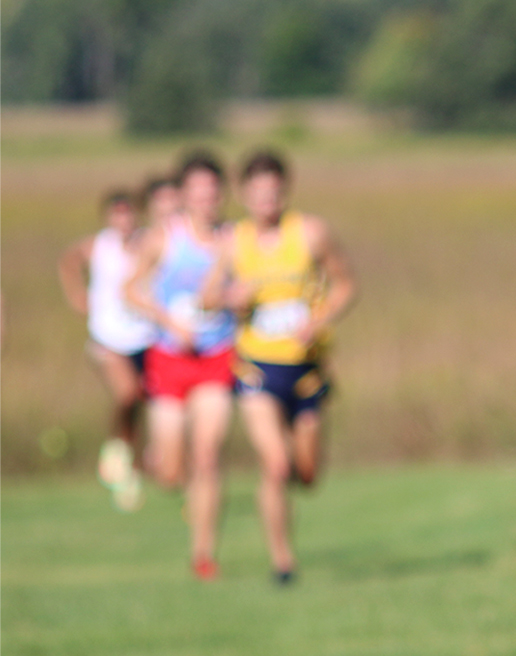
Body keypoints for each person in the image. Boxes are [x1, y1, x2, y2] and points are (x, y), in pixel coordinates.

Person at [204, 148, 357, 585]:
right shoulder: (233, 242)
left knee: (305, 475)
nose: (266, 202)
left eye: (273, 193)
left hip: (307, 369)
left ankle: (288, 509)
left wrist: (321, 320)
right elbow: (207, 295)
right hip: (256, 368)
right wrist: (229, 297)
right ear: (245, 196)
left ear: (285, 191)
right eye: (257, 194)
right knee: (274, 464)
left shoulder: (310, 234)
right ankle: (282, 562)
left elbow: (347, 284)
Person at [125, 150, 239, 580]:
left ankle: (204, 554)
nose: (206, 198)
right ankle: (162, 462)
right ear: (184, 195)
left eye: (213, 190)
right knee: (172, 473)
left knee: (208, 455)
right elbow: (131, 290)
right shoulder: (164, 238)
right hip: (170, 358)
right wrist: (170, 319)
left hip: (216, 356)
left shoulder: (233, 239)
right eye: (197, 191)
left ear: (222, 194)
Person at [58, 188, 160, 511]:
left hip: (145, 335)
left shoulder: (149, 242)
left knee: (144, 402)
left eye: (129, 213)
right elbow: (68, 261)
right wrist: (78, 296)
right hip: (108, 336)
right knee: (127, 393)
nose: (124, 220)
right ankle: (116, 449)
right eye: (117, 214)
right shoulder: (98, 246)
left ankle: (127, 463)